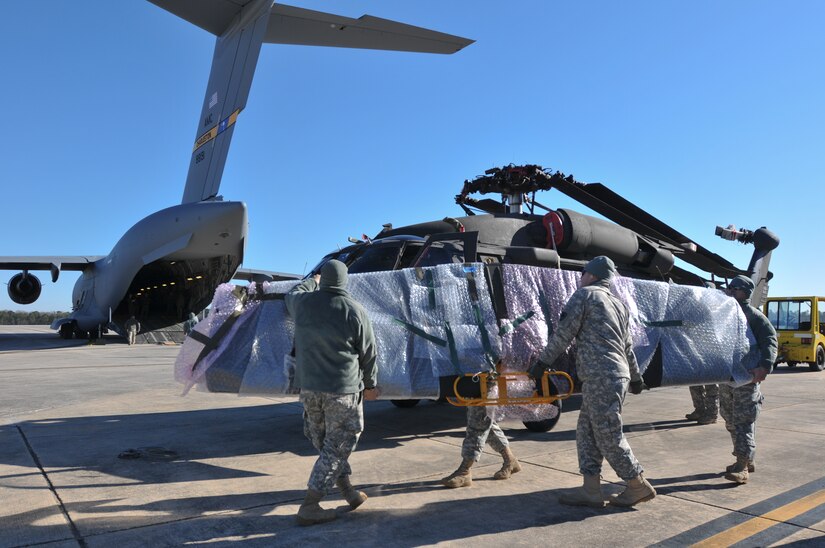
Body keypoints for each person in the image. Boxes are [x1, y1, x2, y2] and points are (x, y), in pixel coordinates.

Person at [529, 256, 655, 508]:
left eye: (583, 272)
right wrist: (636, 377)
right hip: (614, 374)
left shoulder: (585, 296)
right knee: (586, 432)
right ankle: (591, 489)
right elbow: (627, 347)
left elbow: (564, 333)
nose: (580, 277)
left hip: (601, 376)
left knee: (608, 433)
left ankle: (637, 484)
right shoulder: (618, 305)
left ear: (593, 275)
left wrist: (542, 363)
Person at [285, 260, 378, 526]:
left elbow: (291, 293)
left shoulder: (303, 304)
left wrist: (311, 282)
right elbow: (369, 352)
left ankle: (349, 493)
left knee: (327, 444)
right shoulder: (354, 310)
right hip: (342, 391)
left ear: (323, 279)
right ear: (345, 280)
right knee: (338, 447)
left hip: (310, 390)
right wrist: (371, 384)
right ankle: (310, 505)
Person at [719, 275, 777, 484]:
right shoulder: (725, 312)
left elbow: (770, 340)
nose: (730, 290)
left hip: (747, 375)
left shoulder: (754, 316)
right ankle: (746, 458)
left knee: (743, 420)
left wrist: (765, 366)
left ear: (745, 292)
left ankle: (742, 465)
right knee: (729, 418)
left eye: (735, 288)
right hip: (728, 376)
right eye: (730, 287)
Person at [440, 404, 521, 489]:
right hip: (482, 396)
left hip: (484, 396)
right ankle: (510, 460)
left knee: (478, 424)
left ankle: (464, 471)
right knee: (486, 422)